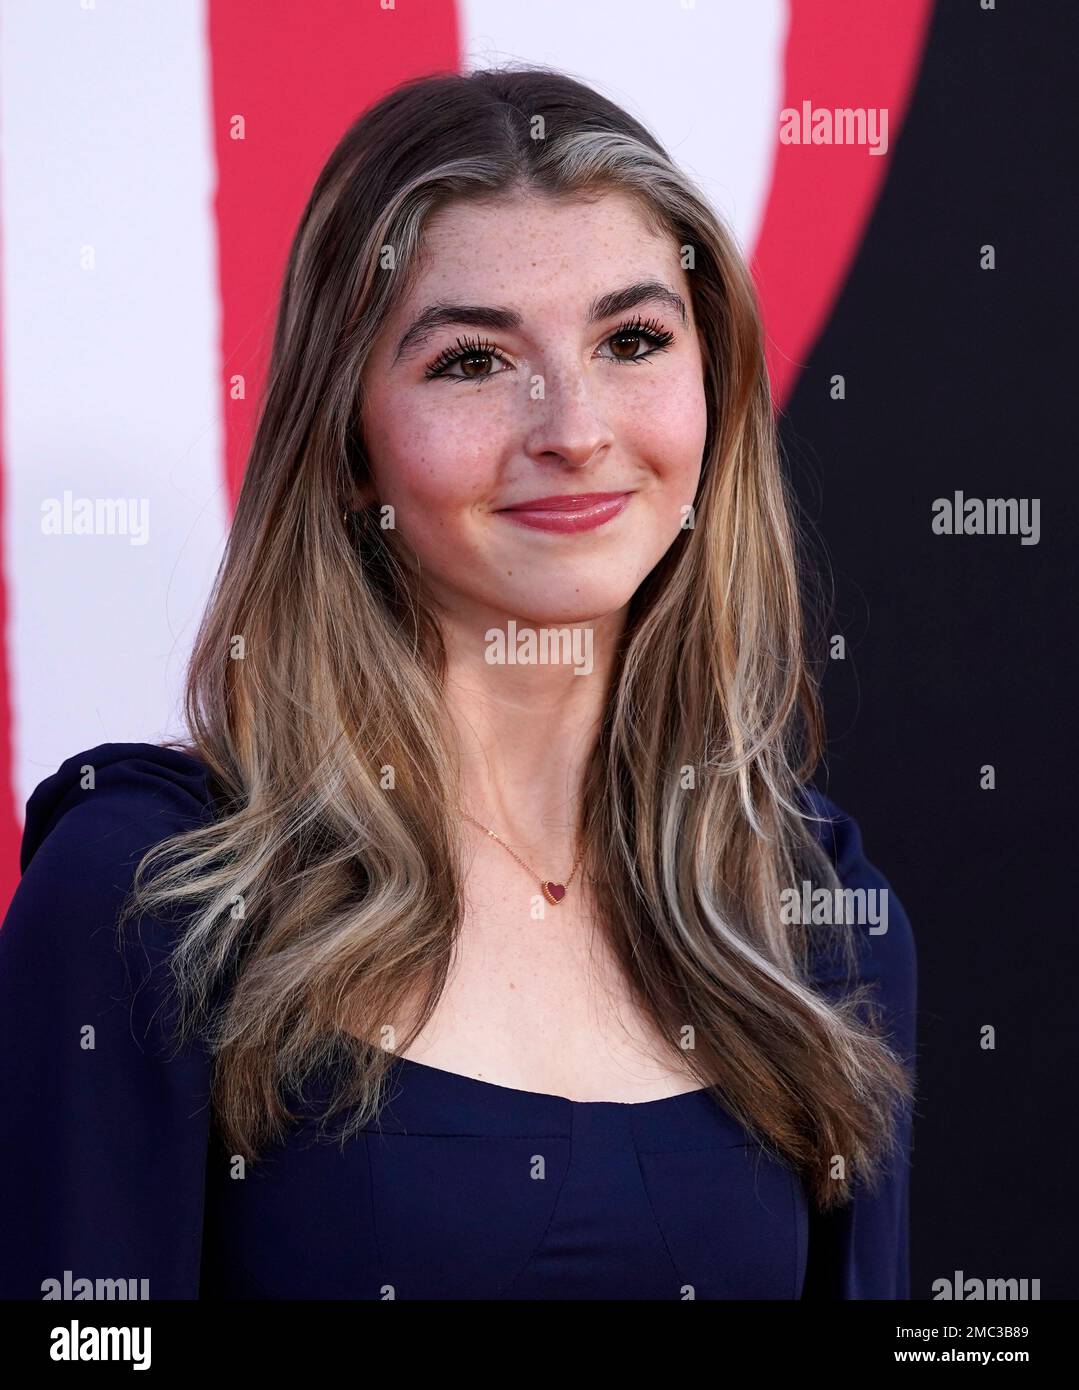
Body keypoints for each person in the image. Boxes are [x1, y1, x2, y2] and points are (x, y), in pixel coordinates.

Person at [0, 65, 916, 1300]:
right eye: (472, 362)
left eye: (632, 339)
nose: (572, 425)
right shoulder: (151, 896)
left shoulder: (812, 914)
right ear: (341, 444)